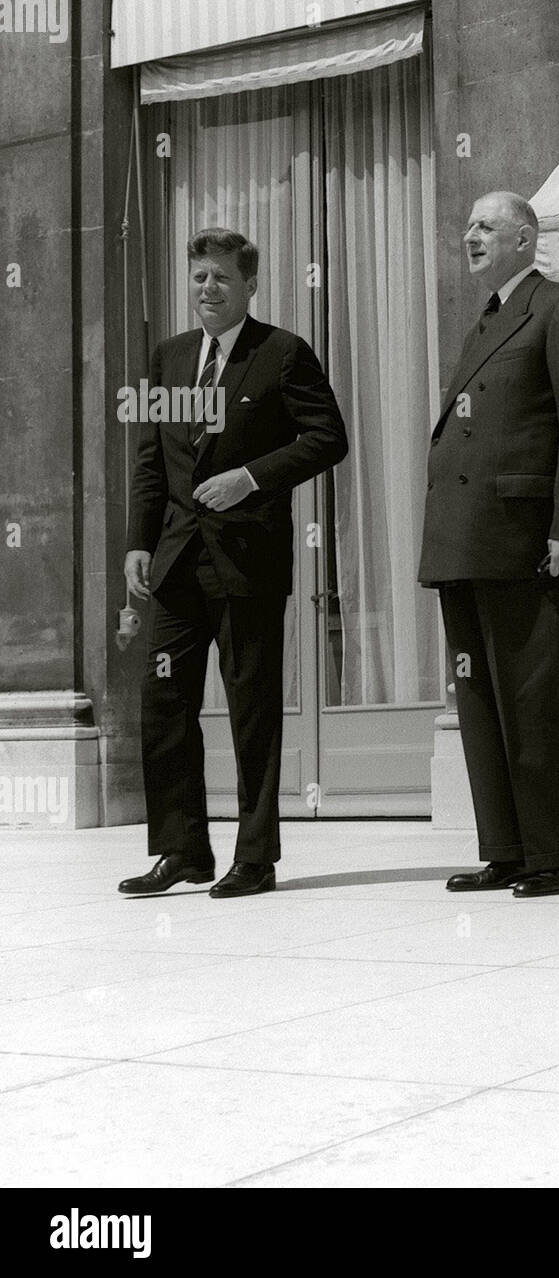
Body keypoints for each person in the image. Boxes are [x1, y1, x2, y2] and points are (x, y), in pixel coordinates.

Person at [120, 228, 348, 898]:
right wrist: (138, 540)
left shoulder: (281, 353)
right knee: (163, 702)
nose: (208, 290)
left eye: (221, 278)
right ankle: (181, 849)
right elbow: (151, 460)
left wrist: (251, 477)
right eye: (198, 278)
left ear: (249, 284)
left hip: (247, 562)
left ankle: (255, 857)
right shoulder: (168, 358)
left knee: (252, 710)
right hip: (176, 563)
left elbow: (327, 437)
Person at [418, 192, 559, 898]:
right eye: (466, 224)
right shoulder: (488, 320)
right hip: (467, 543)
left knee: (536, 706)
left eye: (486, 226)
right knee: (482, 706)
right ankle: (508, 850)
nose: (469, 235)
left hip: (527, 541)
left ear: (525, 239)